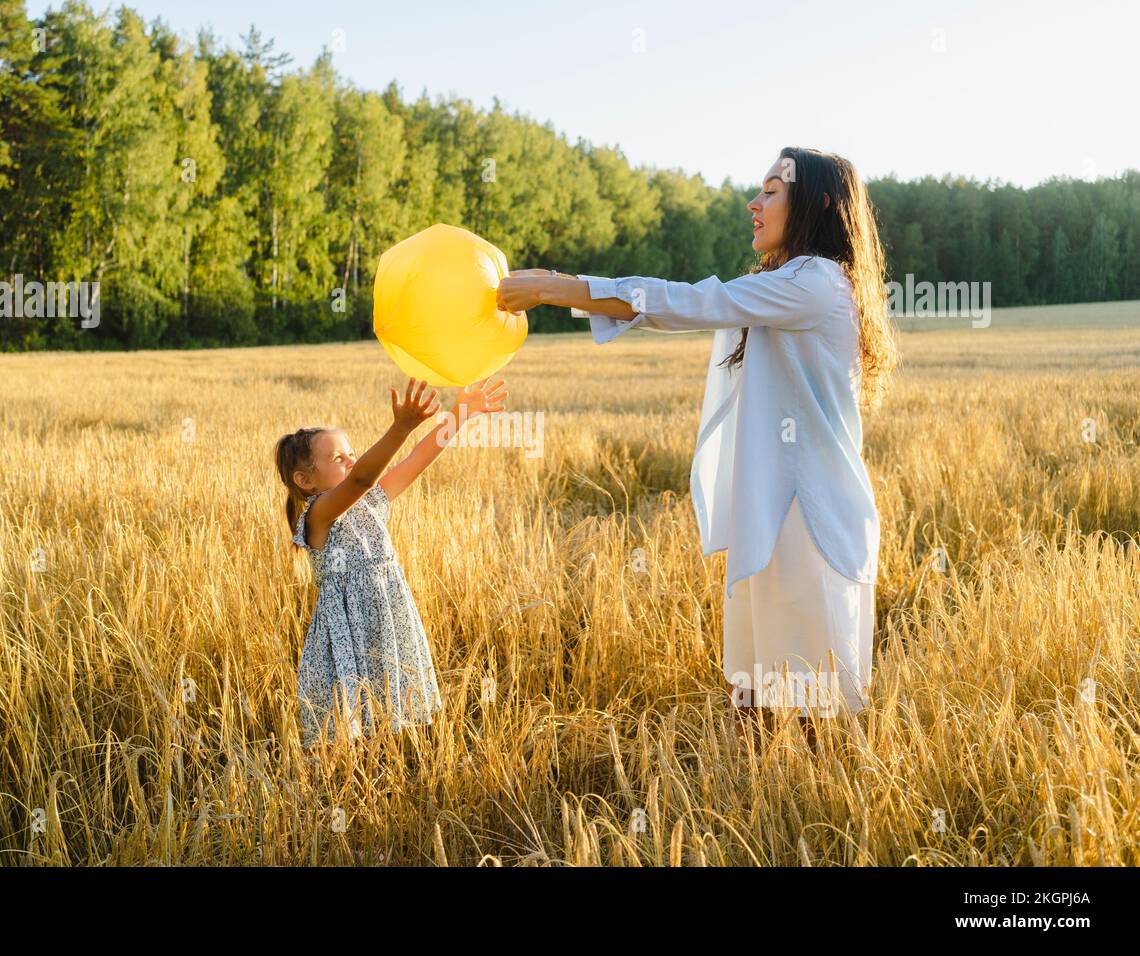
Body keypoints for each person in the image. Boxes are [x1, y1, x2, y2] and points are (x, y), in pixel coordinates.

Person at [497, 146, 898, 736]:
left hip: (809, 525)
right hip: (777, 517)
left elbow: (691, 301)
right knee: (758, 703)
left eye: (770, 191)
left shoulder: (813, 282)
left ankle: (804, 825)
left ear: (813, 202)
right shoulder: (801, 282)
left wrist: (561, 286)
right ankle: (763, 819)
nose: (753, 203)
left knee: (808, 717)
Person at [276, 376, 508, 747]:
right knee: (348, 724)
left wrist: (460, 413)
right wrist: (400, 427)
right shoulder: (319, 514)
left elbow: (418, 459)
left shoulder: (372, 502)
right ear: (305, 480)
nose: (352, 460)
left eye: (351, 453)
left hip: (387, 617)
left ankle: (388, 772)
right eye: (339, 458)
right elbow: (361, 479)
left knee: (387, 713)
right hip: (348, 632)